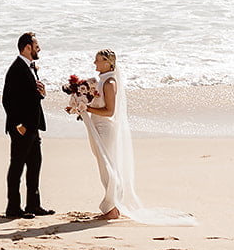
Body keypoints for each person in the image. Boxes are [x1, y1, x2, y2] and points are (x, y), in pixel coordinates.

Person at [81, 49, 194, 225]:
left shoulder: (109, 82)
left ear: (108, 63)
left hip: (104, 128)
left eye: (97, 60)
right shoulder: (100, 80)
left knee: (107, 167)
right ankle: (112, 205)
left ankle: (111, 207)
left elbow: (109, 111)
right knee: (103, 165)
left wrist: (86, 109)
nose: (94, 63)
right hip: (96, 125)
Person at [1, 31, 54, 219]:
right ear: (27, 47)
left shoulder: (31, 67)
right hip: (22, 128)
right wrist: (18, 125)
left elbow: (28, 97)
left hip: (33, 126)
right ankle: (13, 208)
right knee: (17, 166)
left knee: (34, 166)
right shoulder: (16, 69)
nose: (39, 48)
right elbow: (8, 100)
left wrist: (42, 93)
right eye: (36, 45)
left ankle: (33, 204)